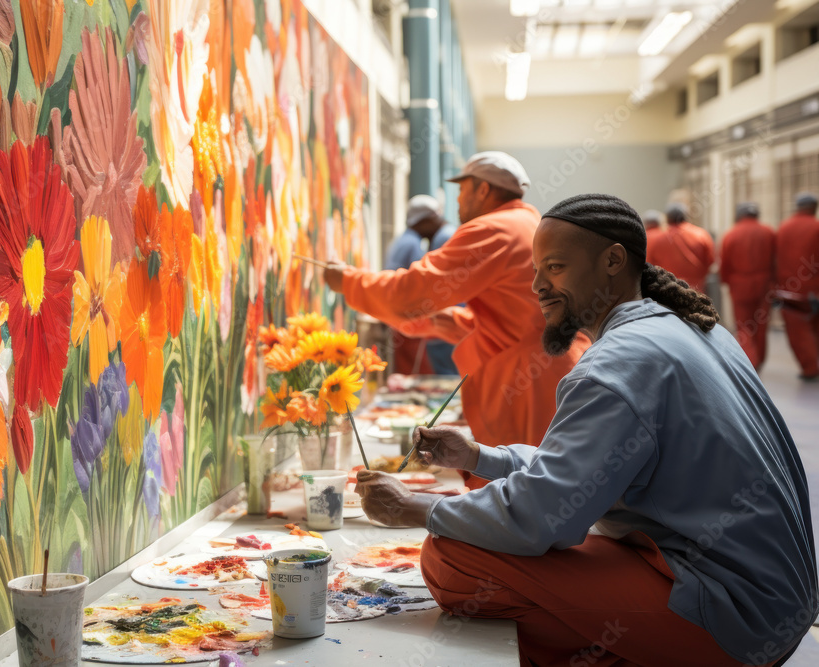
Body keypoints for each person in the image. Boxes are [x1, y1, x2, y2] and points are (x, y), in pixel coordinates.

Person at [354, 193, 817, 667]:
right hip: (781, 603)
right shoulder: (693, 328)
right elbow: (583, 473)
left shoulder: (616, 363)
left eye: (554, 267)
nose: (537, 285)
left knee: (450, 556)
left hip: (735, 616)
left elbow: (543, 518)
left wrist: (411, 506)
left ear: (613, 260)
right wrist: (478, 457)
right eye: (535, 270)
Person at [323, 152, 589, 461]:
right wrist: (447, 322)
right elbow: (515, 317)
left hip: (532, 378)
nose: (458, 202)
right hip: (551, 364)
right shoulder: (526, 221)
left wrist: (348, 281)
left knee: (523, 484)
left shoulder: (494, 229)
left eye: (461, 191)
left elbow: (413, 293)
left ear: (483, 190)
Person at [383, 195, 457, 374]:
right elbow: (423, 283)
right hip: (411, 316)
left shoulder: (402, 240)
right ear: (425, 220)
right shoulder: (413, 244)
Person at [720, 202, 775, 370]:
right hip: (764, 284)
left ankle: (750, 360)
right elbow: (776, 261)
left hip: (739, 285)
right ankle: (760, 358)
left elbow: (725, 264)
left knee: (744, 324)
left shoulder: (731, 235)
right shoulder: (769, 233)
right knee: (761, 323)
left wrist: (728, 282)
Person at [775, 193, 819, 380]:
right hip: (814, 289)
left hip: (788, 289)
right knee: (814, 329)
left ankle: (809, 368)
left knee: (798, 331)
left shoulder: (783, 228)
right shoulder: (816, 227)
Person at [646, 203, 715, 293]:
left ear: (667, 219)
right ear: (686, 216)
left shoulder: (658, 240)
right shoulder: (701, 235)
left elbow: (651, 265)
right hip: (697, 289)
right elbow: (710, 262)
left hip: (668, 290)